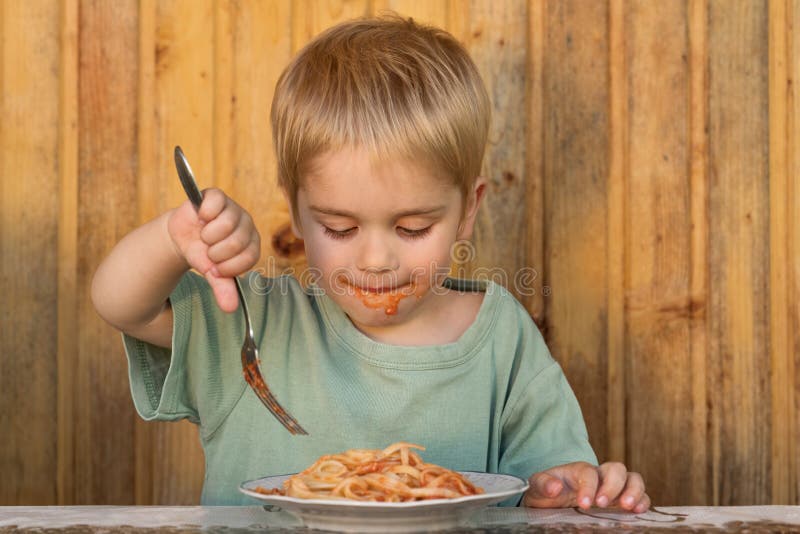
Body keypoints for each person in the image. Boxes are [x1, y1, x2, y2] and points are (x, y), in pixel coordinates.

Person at [92, 15, 649, 511]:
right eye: (339, 227)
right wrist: (174, 238)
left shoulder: (502, 337)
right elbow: (121, 304)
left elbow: (551, 484)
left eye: (412, 228)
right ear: (297, 209)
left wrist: (574, 488)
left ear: (468, 210)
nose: (377, 259)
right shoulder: (254, 321)